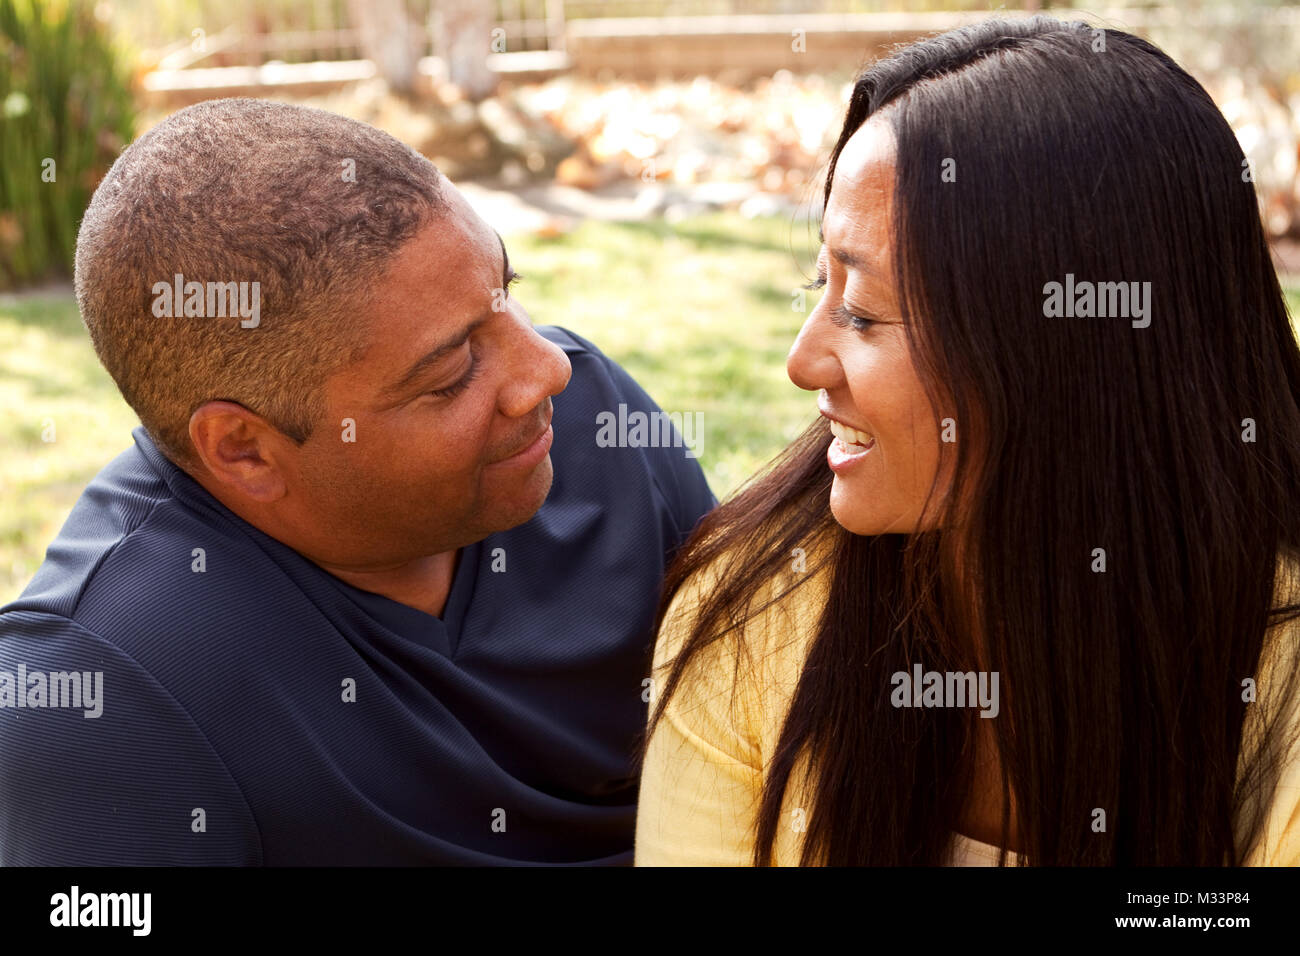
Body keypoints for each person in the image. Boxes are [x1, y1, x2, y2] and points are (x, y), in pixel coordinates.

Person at [636, 16, 1300, 866]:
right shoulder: (755, 609)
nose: (803, 364)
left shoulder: (1272, 682)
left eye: (864, 312)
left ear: (1066, 352)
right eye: (820, 282)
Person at [0, 98, 714, 865]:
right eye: (451, 373)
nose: (546, 369)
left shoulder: (591, 421)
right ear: (244, 450)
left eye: (508, 292)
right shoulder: (102, 692)